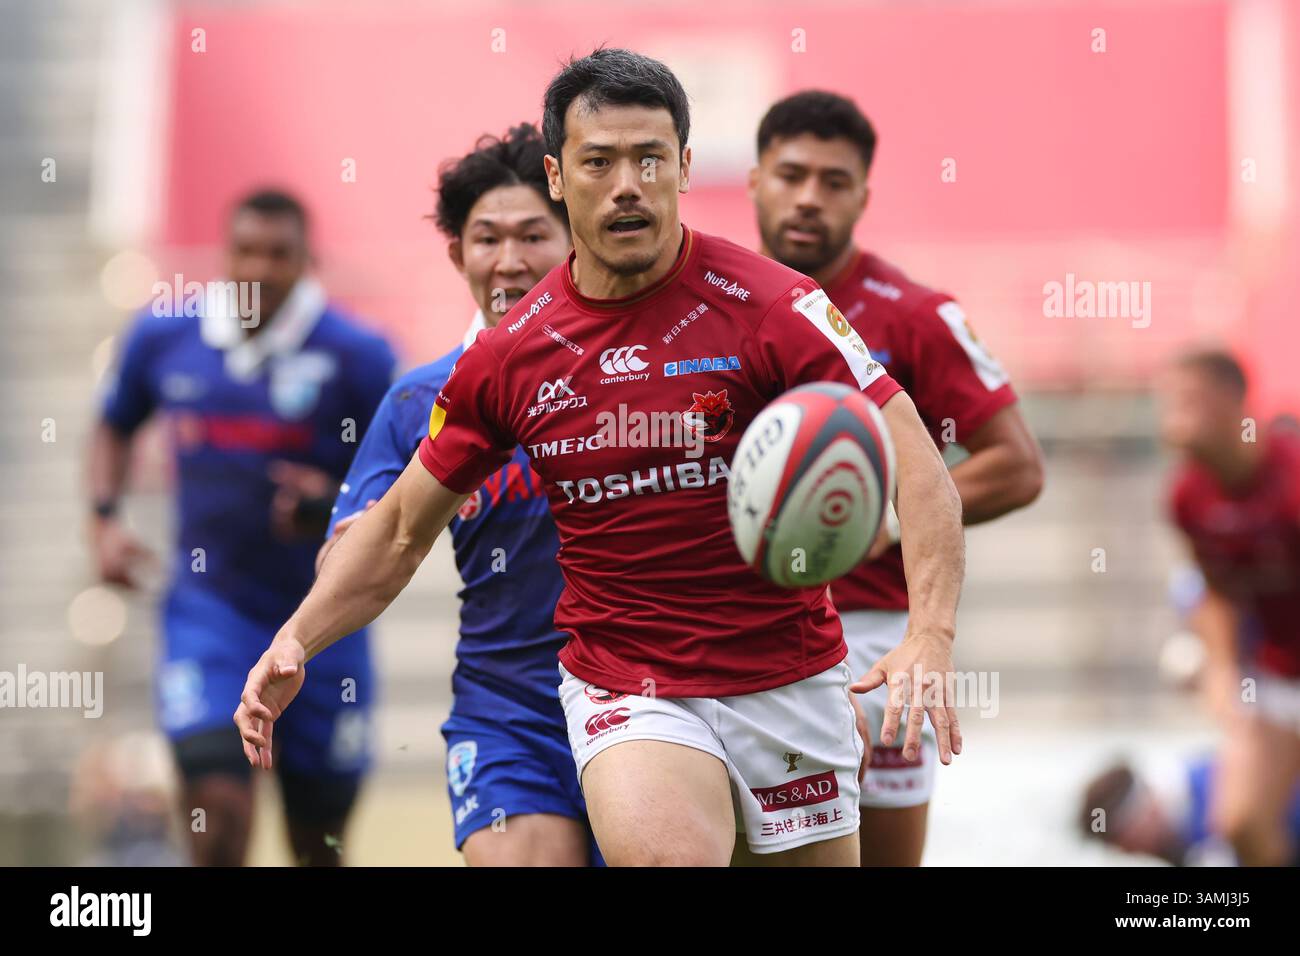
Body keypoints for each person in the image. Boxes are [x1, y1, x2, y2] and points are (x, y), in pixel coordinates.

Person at [236, 48, 965, 867]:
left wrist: (928, 634)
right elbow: (403, 525)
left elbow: (918, 464)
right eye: (599, 161)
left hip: (787, 679)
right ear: (556, 174)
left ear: (685, 167)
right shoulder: (511, 356)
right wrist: (297, 636)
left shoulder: (777, 307)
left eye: (651, 158)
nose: (628, 183)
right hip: (629, 686)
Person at [750, 90, 1044, 865]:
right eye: (791, 174)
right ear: (753, 180)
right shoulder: (717, 305)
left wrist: (880, 522)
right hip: (738, 632)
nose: (810, 196)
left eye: (834, 181)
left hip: (872, 645)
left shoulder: (913, 316)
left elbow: (1017, 466)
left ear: (863, 197)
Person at [317, 124, 598, 865]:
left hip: (648, 698)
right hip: (507, 717)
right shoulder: (421, 400)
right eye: (486, 239)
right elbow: (353, 551)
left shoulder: (637, 371)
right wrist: (350, 549)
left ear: (573, 237)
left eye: (533, 235)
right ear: (458, 255)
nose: (509, 262)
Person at [89, 189, 396, 865]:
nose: (260, 267)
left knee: (319, 843)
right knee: (216, 820)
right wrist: (105, 519)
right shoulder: (165, 335)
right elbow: (113, 422)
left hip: (325, 623)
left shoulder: (359, 354)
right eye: (246, 250)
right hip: (211, 613)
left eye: (278, 254)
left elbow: (405, 475)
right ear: (226, 254)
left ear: (308, 260)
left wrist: (336, 501)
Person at [1160, 350, 1300, 865]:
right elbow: (1215, 587)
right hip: (1279, 673)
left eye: (1190, 400)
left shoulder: (1292, 474)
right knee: (1239, 824)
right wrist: (1220, 667)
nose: (1174, 414)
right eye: (1170, 400)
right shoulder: (1186, 496)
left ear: (1235, 402)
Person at [1079, 756, 1300, 866]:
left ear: (1138, 818)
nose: (1127, 853)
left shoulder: (1216, 786)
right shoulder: (1181, 847)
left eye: (1123, 841)